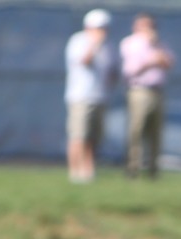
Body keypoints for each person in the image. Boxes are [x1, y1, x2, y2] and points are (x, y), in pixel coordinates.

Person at [65, 9, 119, 183]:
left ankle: (88, 170)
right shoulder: (78, 41)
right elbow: (84, 62)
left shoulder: (109, 46)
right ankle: (75, 172)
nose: (102, 31)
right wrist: (94, 45)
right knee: (78, 135)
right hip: (81, 97)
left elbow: (112, 72)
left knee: (94, 138)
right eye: (98, 27)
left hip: (100, 97)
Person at [120, 12, 174, 179]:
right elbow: (131, 70)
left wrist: (155, 48)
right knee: (136, 131)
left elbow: (168, 63)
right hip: (139, 91)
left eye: (150, 25)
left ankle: (153, 171)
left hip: (157, 91)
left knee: (155, 133)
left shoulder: (160, 45)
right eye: (144, 25)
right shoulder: (130, 43)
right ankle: (132, 169)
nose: (148, 29)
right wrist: (151, 62)